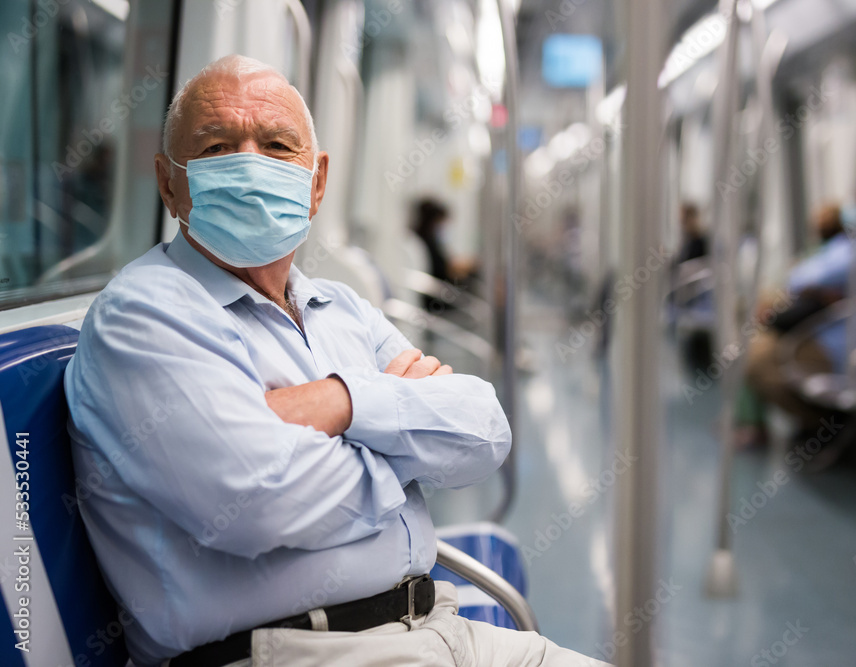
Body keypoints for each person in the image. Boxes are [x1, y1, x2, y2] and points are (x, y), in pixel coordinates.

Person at [64, 55, 608, 667]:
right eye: (218, 148)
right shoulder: (144, 315)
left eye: (277, 145)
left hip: (441, 627)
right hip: (299, 651)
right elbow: (257, 503)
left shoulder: (338, 306)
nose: (251, 166)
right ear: (169, 182)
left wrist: (341, 401)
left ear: (316, 181)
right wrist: (402, 453)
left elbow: (484, 431)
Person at [744, 180, 856, 466]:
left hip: (848, 343)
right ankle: (810, 424)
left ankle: (828, 423)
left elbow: (807, 276)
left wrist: (815, 286)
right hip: (822, 331)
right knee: (755, 342)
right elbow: (801, 273)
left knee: (759, 361)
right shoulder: (853, 240)